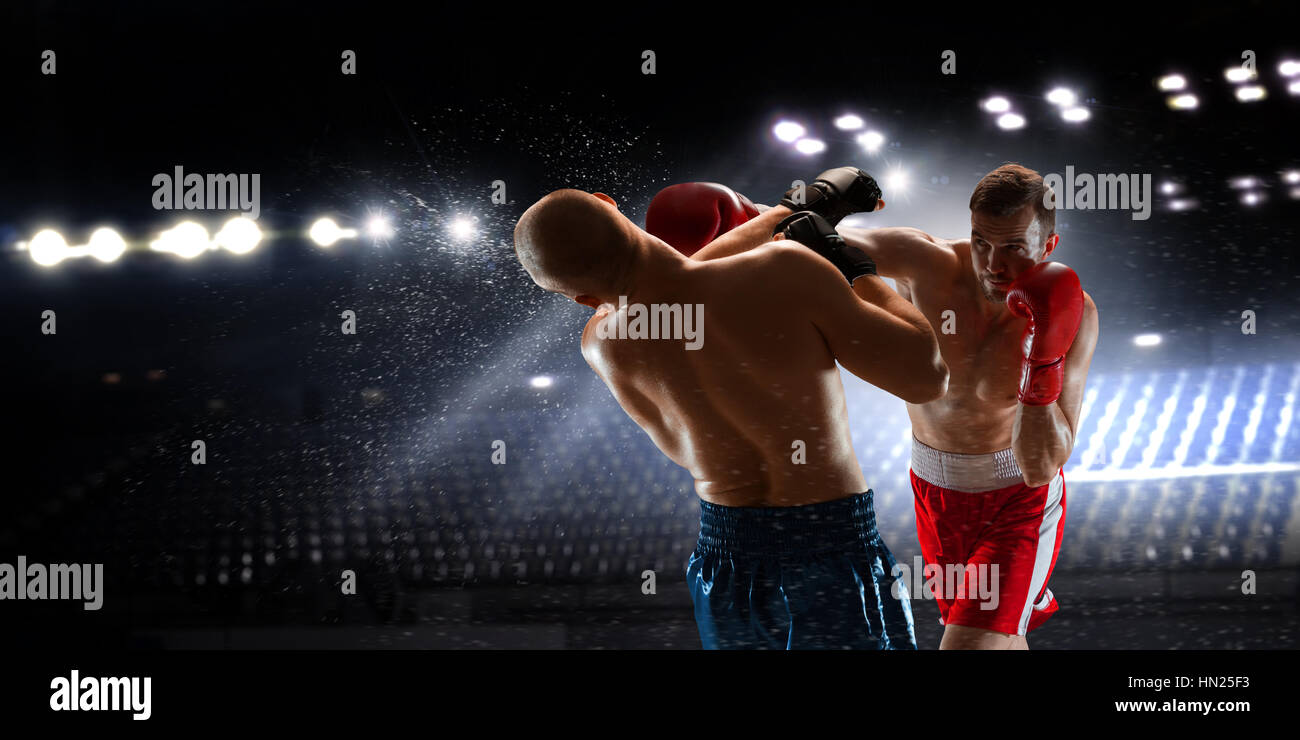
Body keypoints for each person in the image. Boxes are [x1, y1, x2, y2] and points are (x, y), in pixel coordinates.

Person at [513, 169, 947, 648]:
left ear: (584, 298)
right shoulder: (786, 269)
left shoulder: (602, 343)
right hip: (830, 540)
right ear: (608, 202)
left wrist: (786, 211)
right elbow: (926, 378)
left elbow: (679, 288)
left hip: (724, 559)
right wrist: (853, 266)